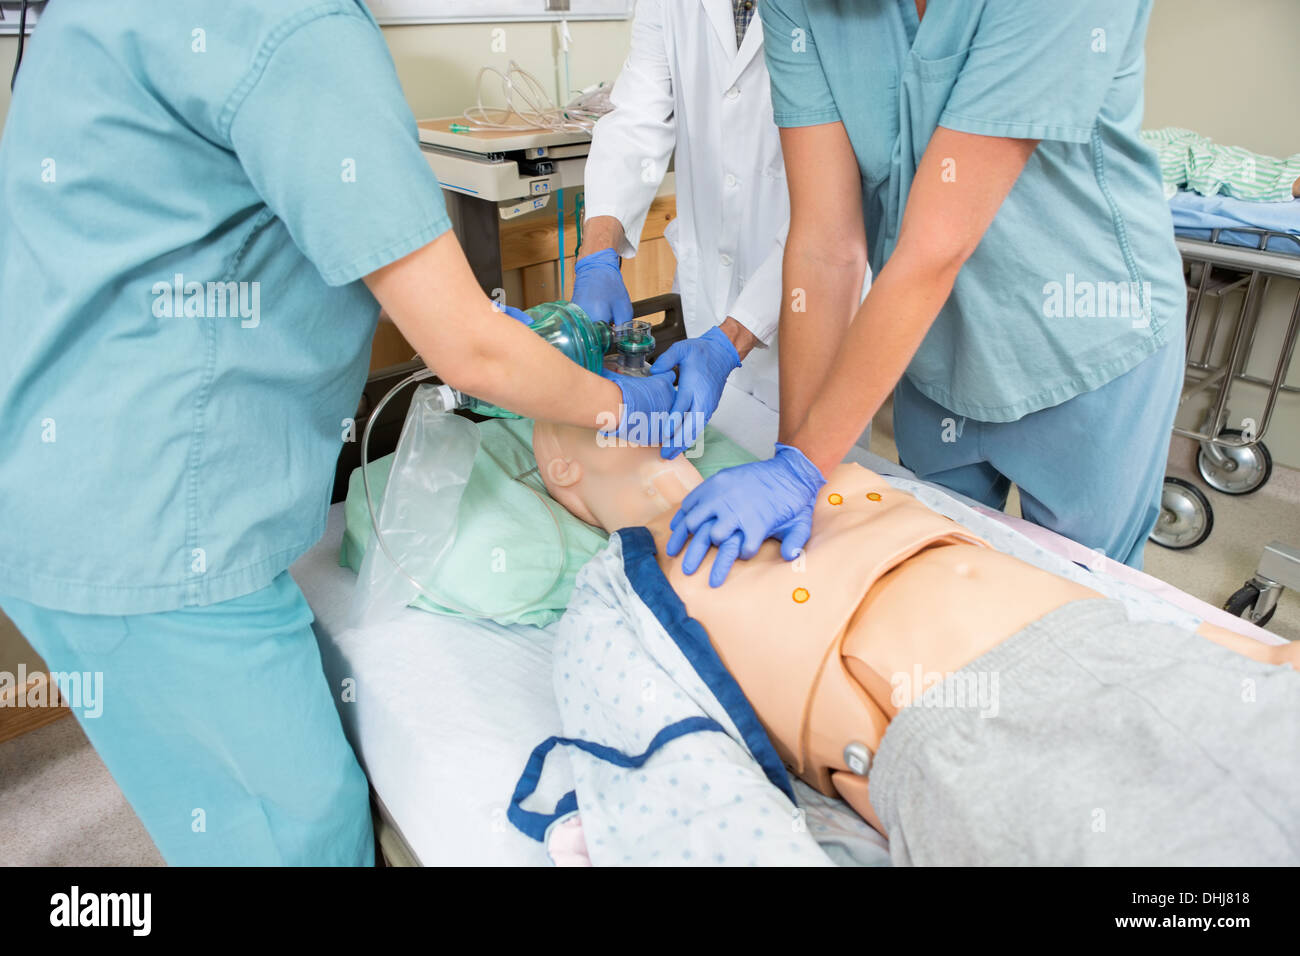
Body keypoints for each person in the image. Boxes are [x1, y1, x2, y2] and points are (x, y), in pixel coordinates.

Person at [0, 0, 675, 865]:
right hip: (151, 526)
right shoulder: (296, 27)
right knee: (300, 830)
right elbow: (469, 348)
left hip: (77, 476)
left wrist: (561, 381)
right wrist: (619, 408)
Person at [530, 421, 1300, 865]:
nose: (633, 382)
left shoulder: (812, 466)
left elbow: (1008, 553)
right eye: (592, 384)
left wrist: (1223, 647)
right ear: (558, 461)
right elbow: (675, 770)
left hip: (1130, 651)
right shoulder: (618, 589)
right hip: (977, 747)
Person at [668, 0, 1189, 585]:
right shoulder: (803, 7)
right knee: (934, 577)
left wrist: (802, 471)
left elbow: (934, 246)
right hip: (934, 350)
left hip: (1084, 348)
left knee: (1077, 598)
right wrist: (794, 466)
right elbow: (825, 245)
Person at [575, 0, 816, 453]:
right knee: (708, 442)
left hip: (809, 304)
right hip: (706, 290)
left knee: (810, 479)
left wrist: (734, 339)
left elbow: (838, 210)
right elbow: (637, 118)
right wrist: (597, 252)